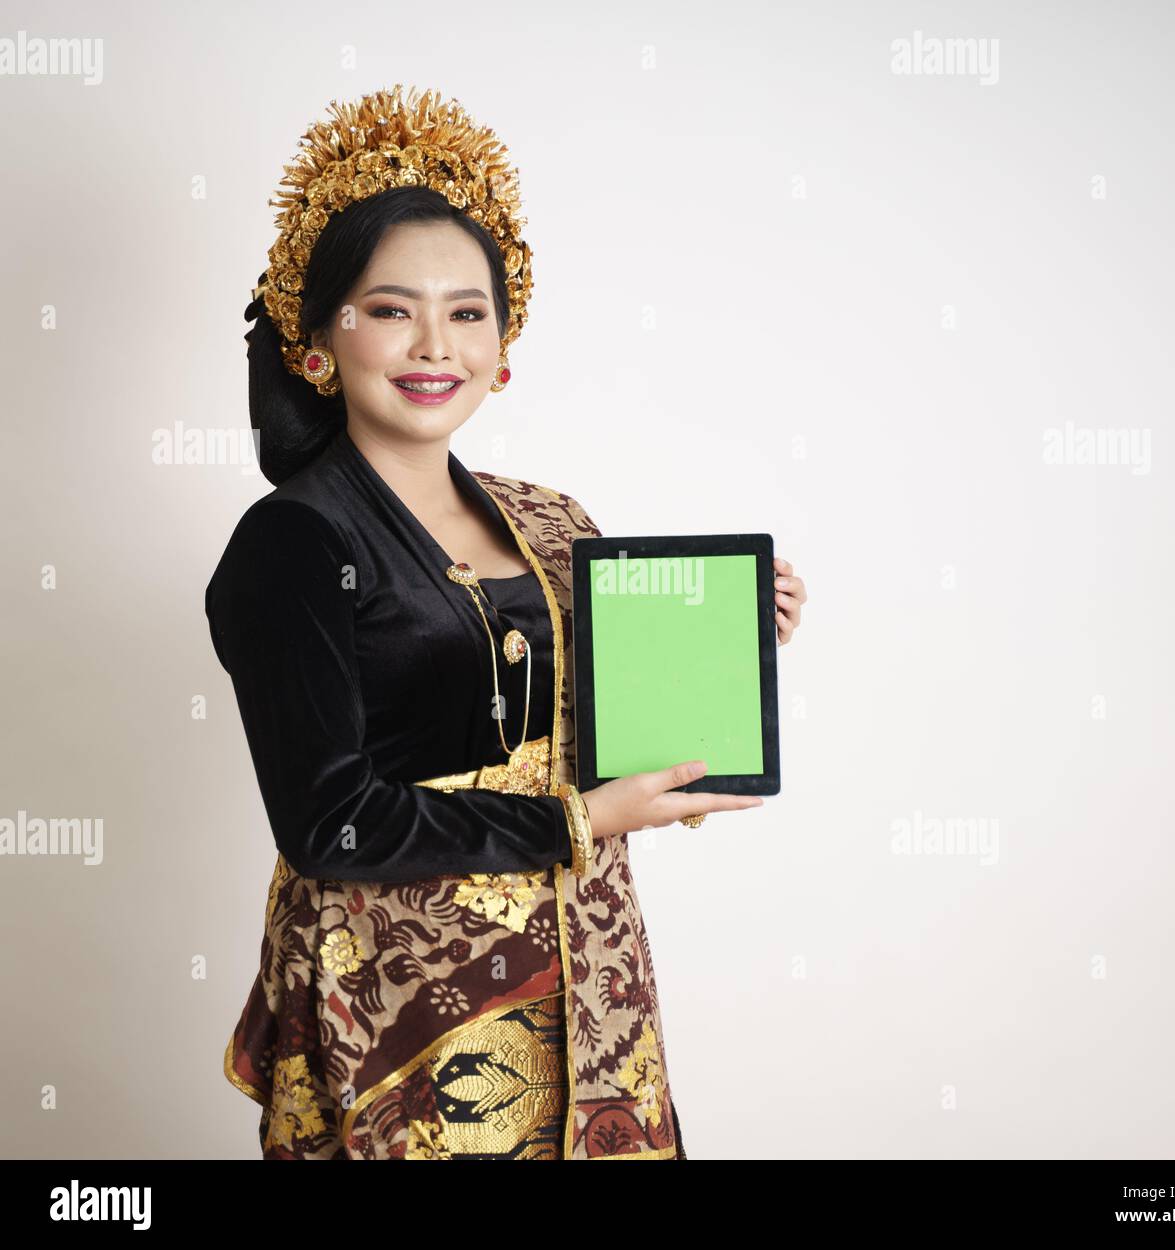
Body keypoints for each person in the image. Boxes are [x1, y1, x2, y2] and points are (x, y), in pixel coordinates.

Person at [207, 86, 807, 1160]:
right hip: (401, 1015)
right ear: (321, 333)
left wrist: (728, 636)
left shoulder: (552, 519)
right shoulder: (292, 544)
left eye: (466, 310)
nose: (433, 342)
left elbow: (599, 724)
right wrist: (577, 822)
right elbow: (329, 821)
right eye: (391, 308)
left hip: (589, 984)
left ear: (502, 337)